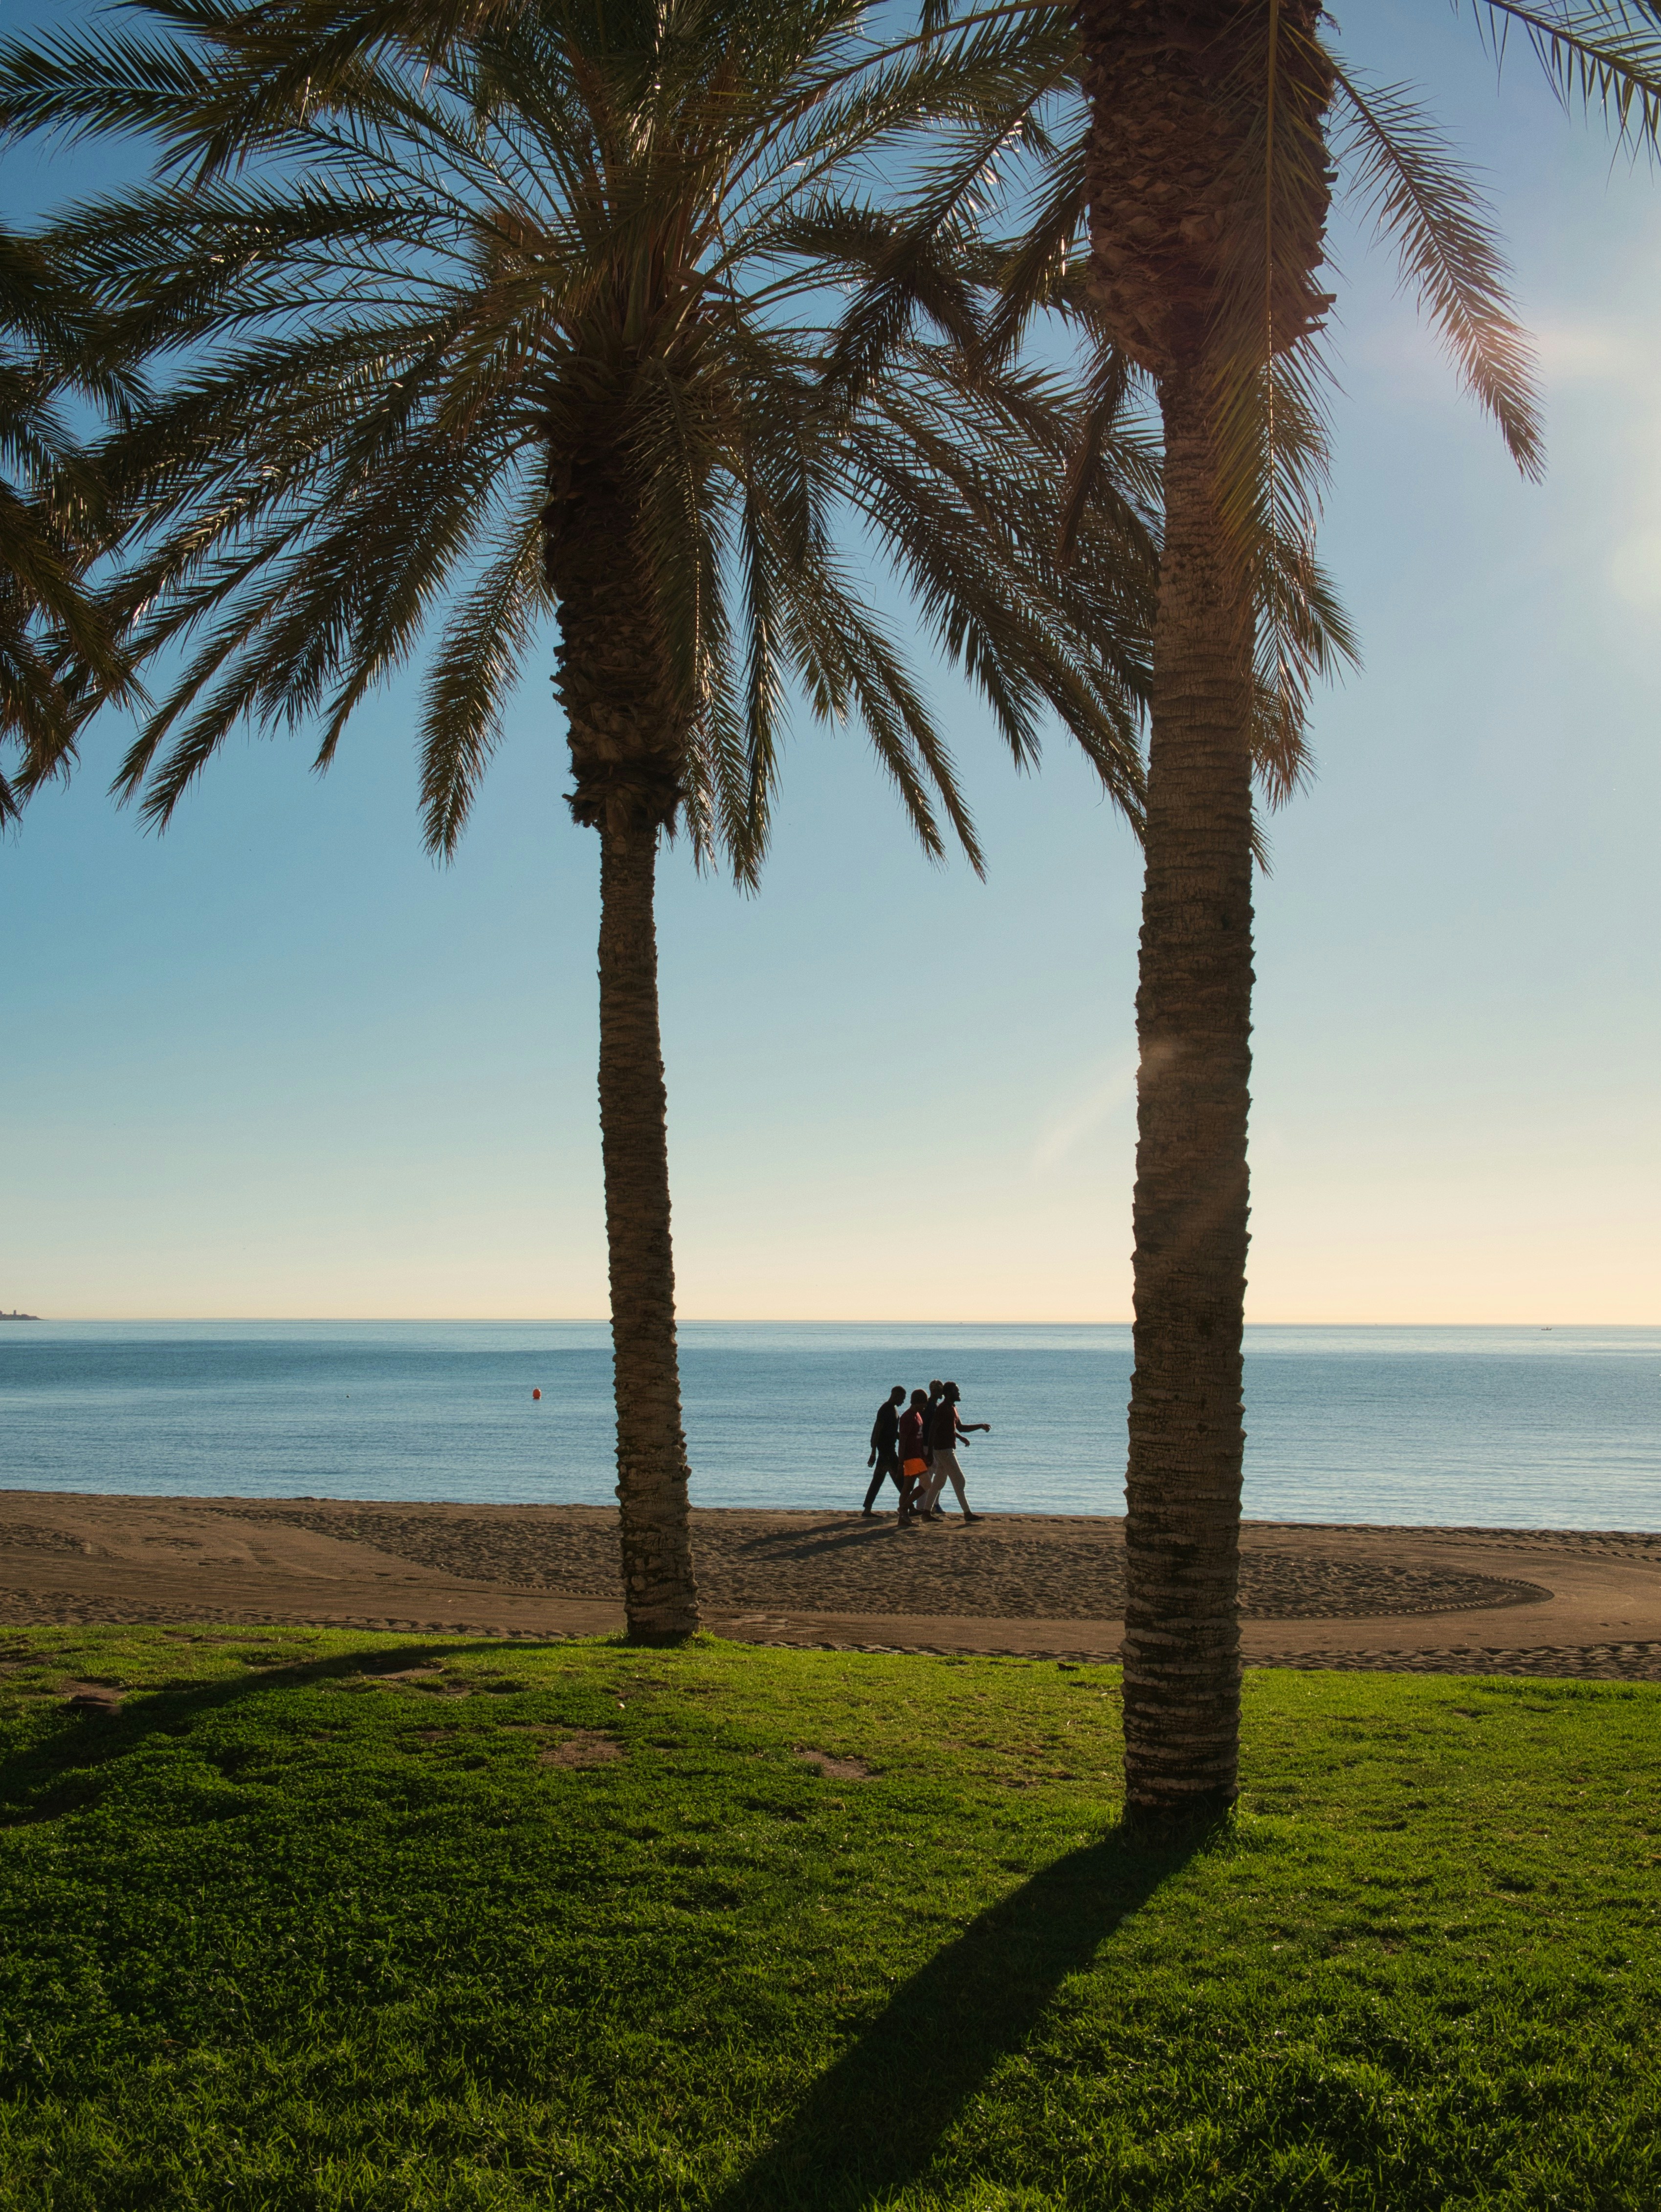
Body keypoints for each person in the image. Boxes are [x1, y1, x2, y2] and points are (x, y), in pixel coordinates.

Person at [917, 1380, 990, 1521]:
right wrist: (930, 1452)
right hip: (944, 1451)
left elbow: (961, 1427)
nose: (959, 1393)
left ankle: (926, 1513)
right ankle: (967, 1513)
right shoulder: (943, 1409)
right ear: (949, 1393)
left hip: (948, 1450)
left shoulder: (952, 1408)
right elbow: (932, 1430)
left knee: (939, 1483)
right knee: (960, 1480)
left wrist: (980, 1426)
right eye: (956, 1391)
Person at [863, 1385, 907, 1515]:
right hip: (886, 1451)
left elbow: (892, 1431)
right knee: (900, 1478)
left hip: (887, 1450)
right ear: (896, 1395)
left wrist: (903, 1438)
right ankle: (909, 1506)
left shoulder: (893, 1410)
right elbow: (877, 1430)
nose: (903, 1402)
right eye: (902, 1398)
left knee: (878, 1480)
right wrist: (873, 1452)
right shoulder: (885, 1409)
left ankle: (867, 1509)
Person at [896, 1390, 930, 1523]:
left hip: (917, 1456)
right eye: (923, 1404)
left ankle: (902, 1518)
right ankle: (904, 1509)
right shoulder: (907, 1417)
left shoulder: (918, 1415)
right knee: (927, 1483)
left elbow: (919, 1439)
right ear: (917, 1402)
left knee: (907, 1488)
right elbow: (903, 1441)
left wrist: (923, 1455)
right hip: (911, 1457)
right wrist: (900, 1462)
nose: (925, 1407)